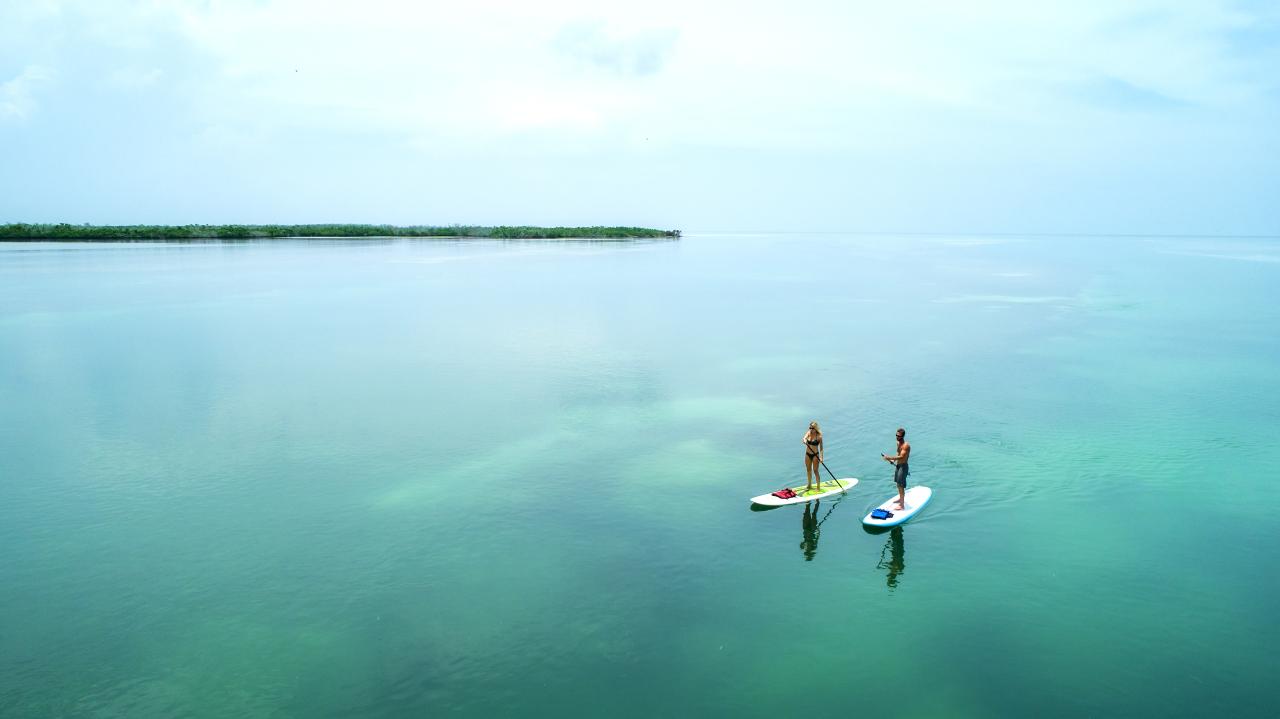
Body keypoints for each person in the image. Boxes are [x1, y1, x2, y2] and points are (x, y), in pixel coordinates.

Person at [881, 427, 911, 510]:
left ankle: (902, 505)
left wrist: (888, 457)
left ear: (903, 436)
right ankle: (900, 499)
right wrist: (893, 460)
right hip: (898, 466)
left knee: (901, 485)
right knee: (898, 484)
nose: (897, 437)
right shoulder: (898, 443)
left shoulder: (906, 446)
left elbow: (902, 456)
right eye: (896, 435)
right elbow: (898, 453)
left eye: (899, 436)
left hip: (903, 467)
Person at [802, 421, 823, 492]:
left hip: (815, 455)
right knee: (808, 469)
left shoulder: (819, 436)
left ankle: (818, 487)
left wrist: (821, 457)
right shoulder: (808, 433)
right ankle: (809, 485)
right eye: (810, 427)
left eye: (812, 428)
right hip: (807, 454)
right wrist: (804, 440)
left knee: (815, 471)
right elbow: (804, 438)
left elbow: (821, 448)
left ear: (815, 428)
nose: (811, 429)